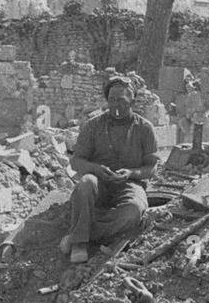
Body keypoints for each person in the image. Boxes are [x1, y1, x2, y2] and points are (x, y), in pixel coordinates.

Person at [63, 77, 158, 265]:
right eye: (112, 99)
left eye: (122, 100)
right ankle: (79, 244)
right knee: (85, 184)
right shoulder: (93, 125)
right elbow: (76, 162)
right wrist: (95, 168)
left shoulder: (145, 128)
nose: (116, 105)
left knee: (134, 210)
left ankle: (81, 233)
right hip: (99, 182)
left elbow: (151, 168)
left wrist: (130, 173)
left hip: (129, 183)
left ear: (132, 101)